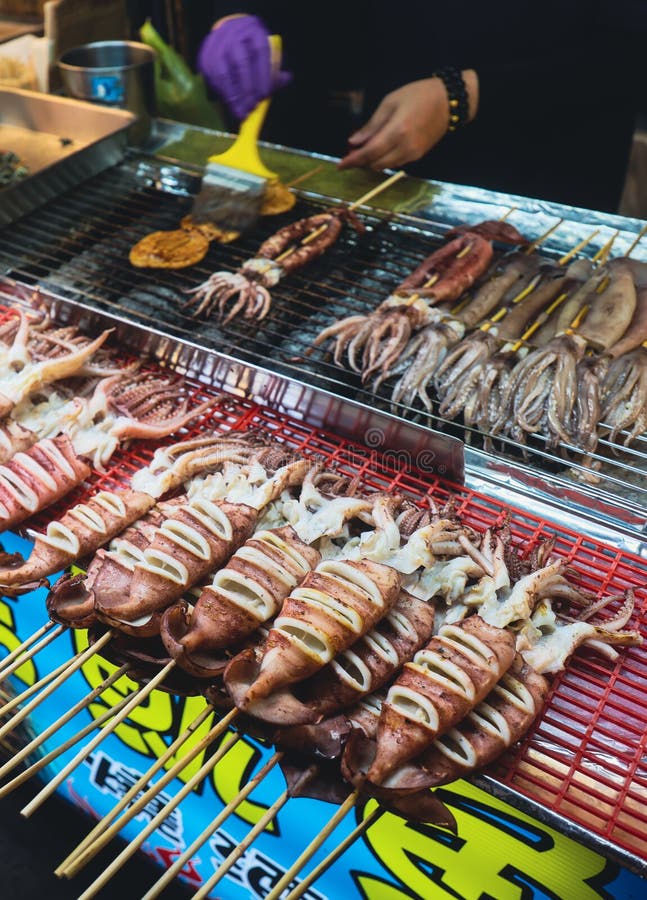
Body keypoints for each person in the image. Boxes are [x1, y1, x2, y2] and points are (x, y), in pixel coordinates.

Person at [184, 1, 646, 213]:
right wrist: (237, 14)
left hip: (540, 171)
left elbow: (627, 56)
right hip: (398, 150)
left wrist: (466, 94)